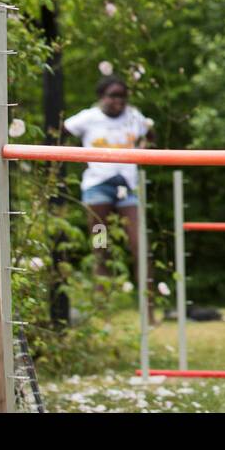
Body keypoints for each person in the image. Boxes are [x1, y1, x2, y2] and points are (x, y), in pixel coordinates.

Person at [62, 75, 154, 292]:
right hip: (98, 189)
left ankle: (148, 307)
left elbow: (150, 135)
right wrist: (73, 158)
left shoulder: (133, 117)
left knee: (140, 246)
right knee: (101, 245)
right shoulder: (88, 118)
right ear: (101, 97)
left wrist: (143, 151)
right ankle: (102, 309)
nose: (118, 101)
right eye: (113, 96)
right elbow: (58, 134)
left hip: (127, 190)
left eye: (123, 96)